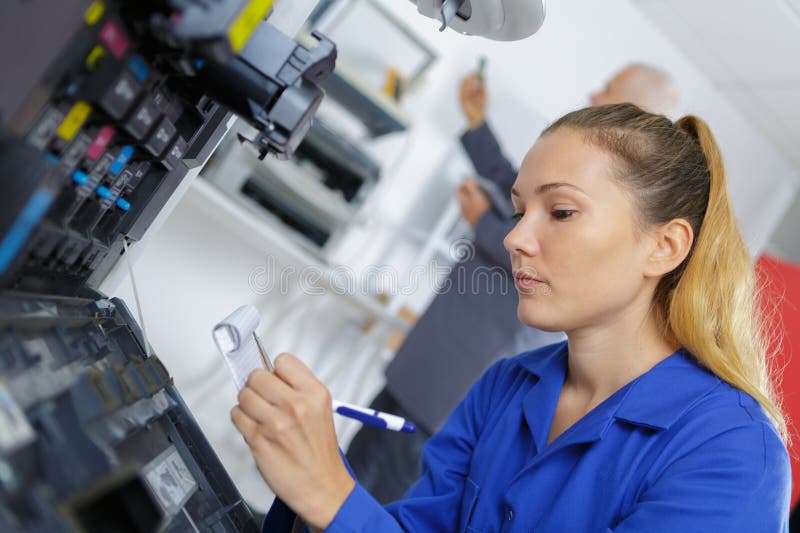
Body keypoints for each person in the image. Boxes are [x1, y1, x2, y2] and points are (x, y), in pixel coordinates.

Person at [231, 103, 790, 532]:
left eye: (561, 212)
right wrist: (305, 476)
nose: (518, 238)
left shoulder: (731, 452)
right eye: (519, 211)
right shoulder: (506, 387)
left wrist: (334, 496)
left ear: (664, 247)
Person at [343, 63, 680, 504]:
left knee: (376, 500)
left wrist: (484, 222)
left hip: (455, 381)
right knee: (346, 471)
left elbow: (560, 268)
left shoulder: (625, 206)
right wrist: (478, 125)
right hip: (433, 359)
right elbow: (519, 190)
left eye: (606, 90)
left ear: (633, 111)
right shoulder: (588, 172)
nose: (593, 94)